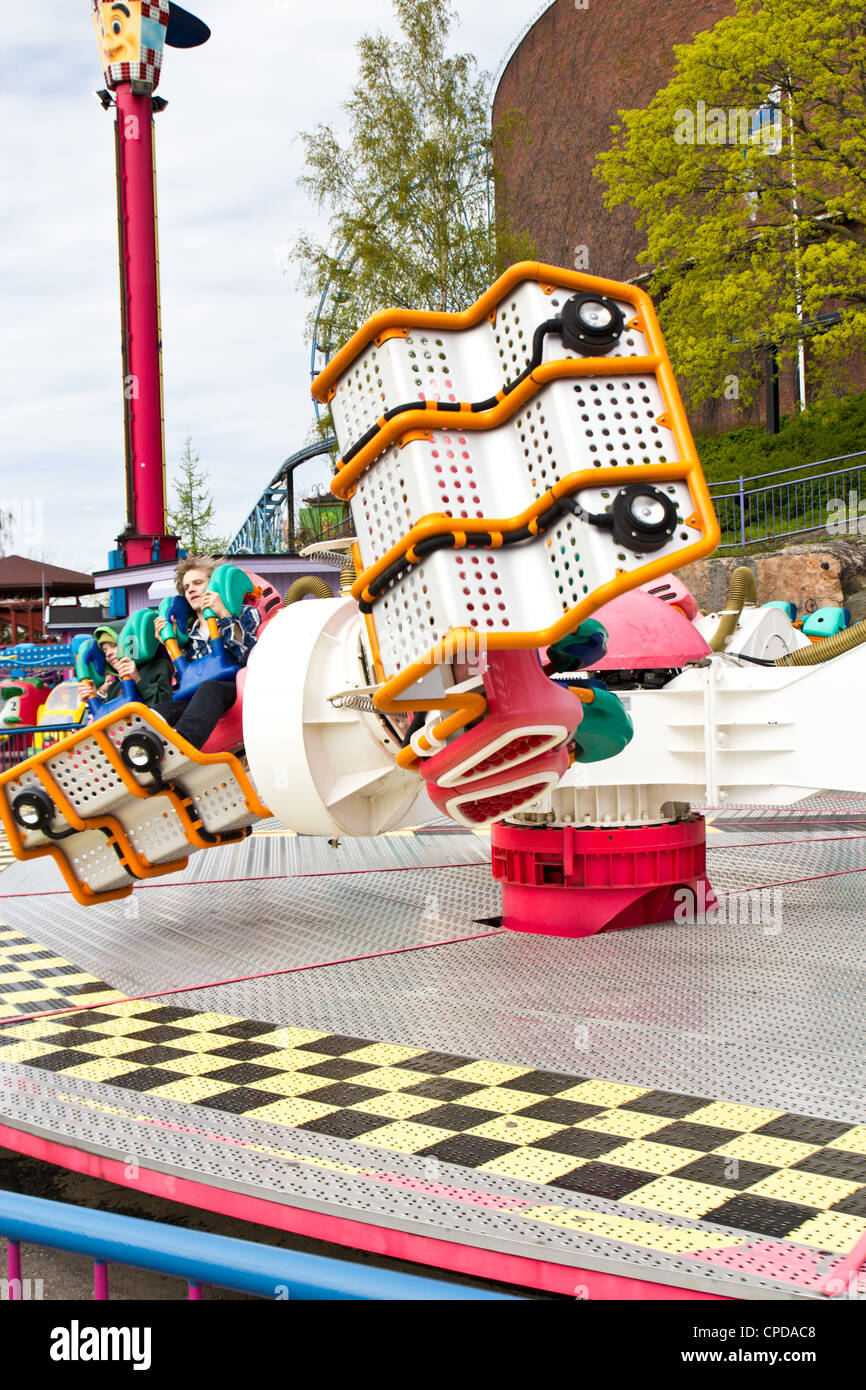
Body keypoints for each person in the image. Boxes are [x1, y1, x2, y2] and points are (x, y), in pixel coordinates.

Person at [151, 556, 261, 749]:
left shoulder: (243, 613)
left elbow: (250, 656)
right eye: (186, 587)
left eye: (197, 583)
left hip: (238, 687)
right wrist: (171, 644)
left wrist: (224, 615)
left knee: (210, 688)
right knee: (163, 710)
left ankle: (182, 744)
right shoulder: (190, 636)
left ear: (215, 585)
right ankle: (144, 744)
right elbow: (186, 683)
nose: (191, 589)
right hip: (204, 700)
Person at [78, 624, 174, 711]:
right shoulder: (114, 687)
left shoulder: (159, 667)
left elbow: (164, 705)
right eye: (105, 651)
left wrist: (137, 679)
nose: (108, 653)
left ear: (130, 645)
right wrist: (93, 698)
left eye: (114, 645)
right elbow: (110, 716)